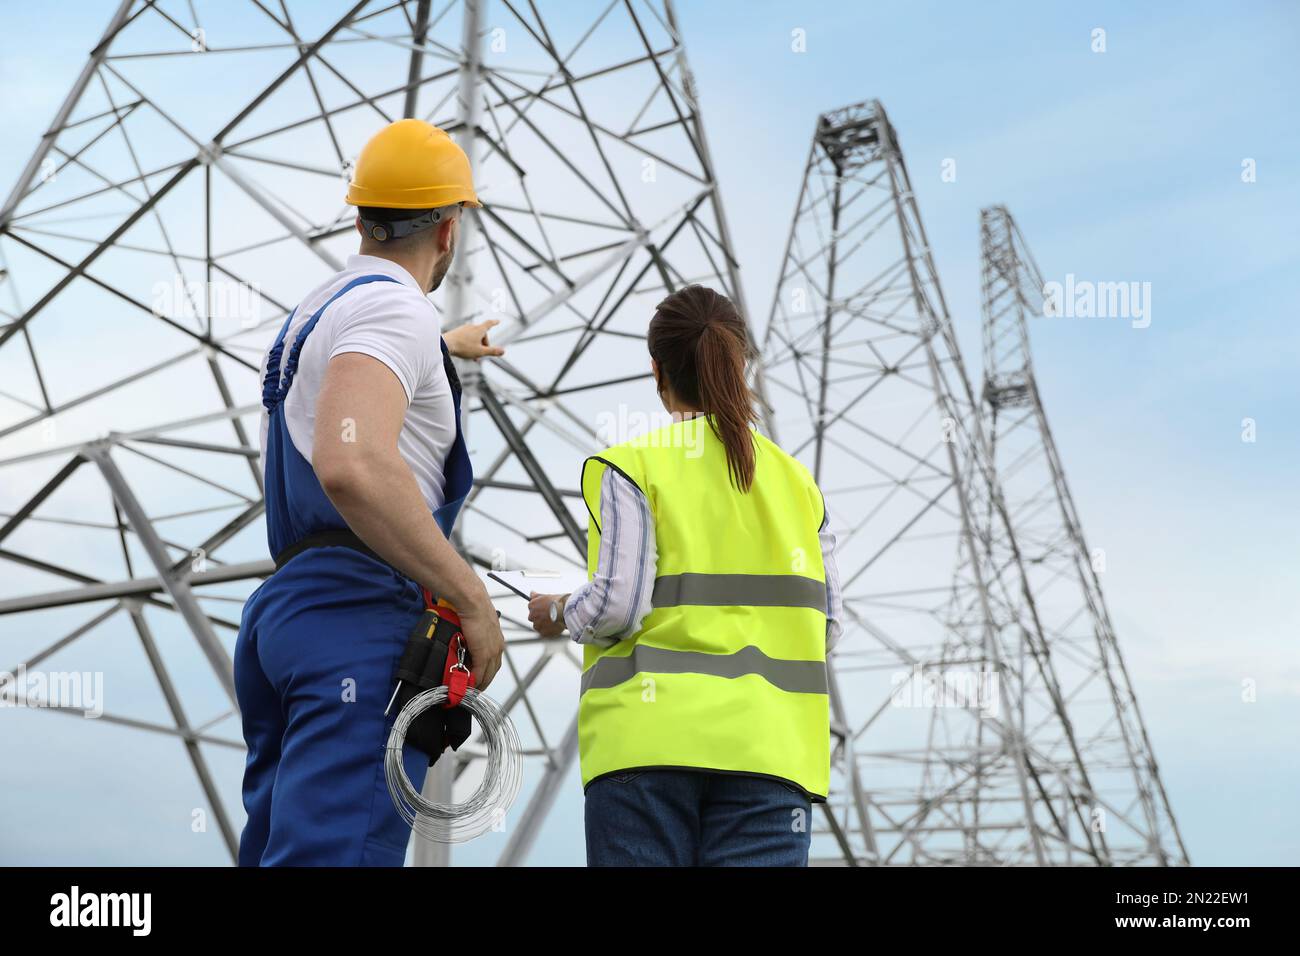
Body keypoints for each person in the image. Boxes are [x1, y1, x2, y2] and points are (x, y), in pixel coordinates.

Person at [234, 119, 506, 866]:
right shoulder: (396, 311)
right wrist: (470, 599)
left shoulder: (322, 308)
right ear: (448, 231)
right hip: (357, 612)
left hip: (290, 613)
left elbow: (349, 382)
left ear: (360, 217)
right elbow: (351, 463)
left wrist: (443, 351)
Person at [527, 284, 843, 867]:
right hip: (770, 752)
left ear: (657, 370)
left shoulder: (632, 467)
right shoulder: (800, 486)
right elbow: (823, 629)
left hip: (647, 750)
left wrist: (557, 610)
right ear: (738, 362)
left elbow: (616, 608)